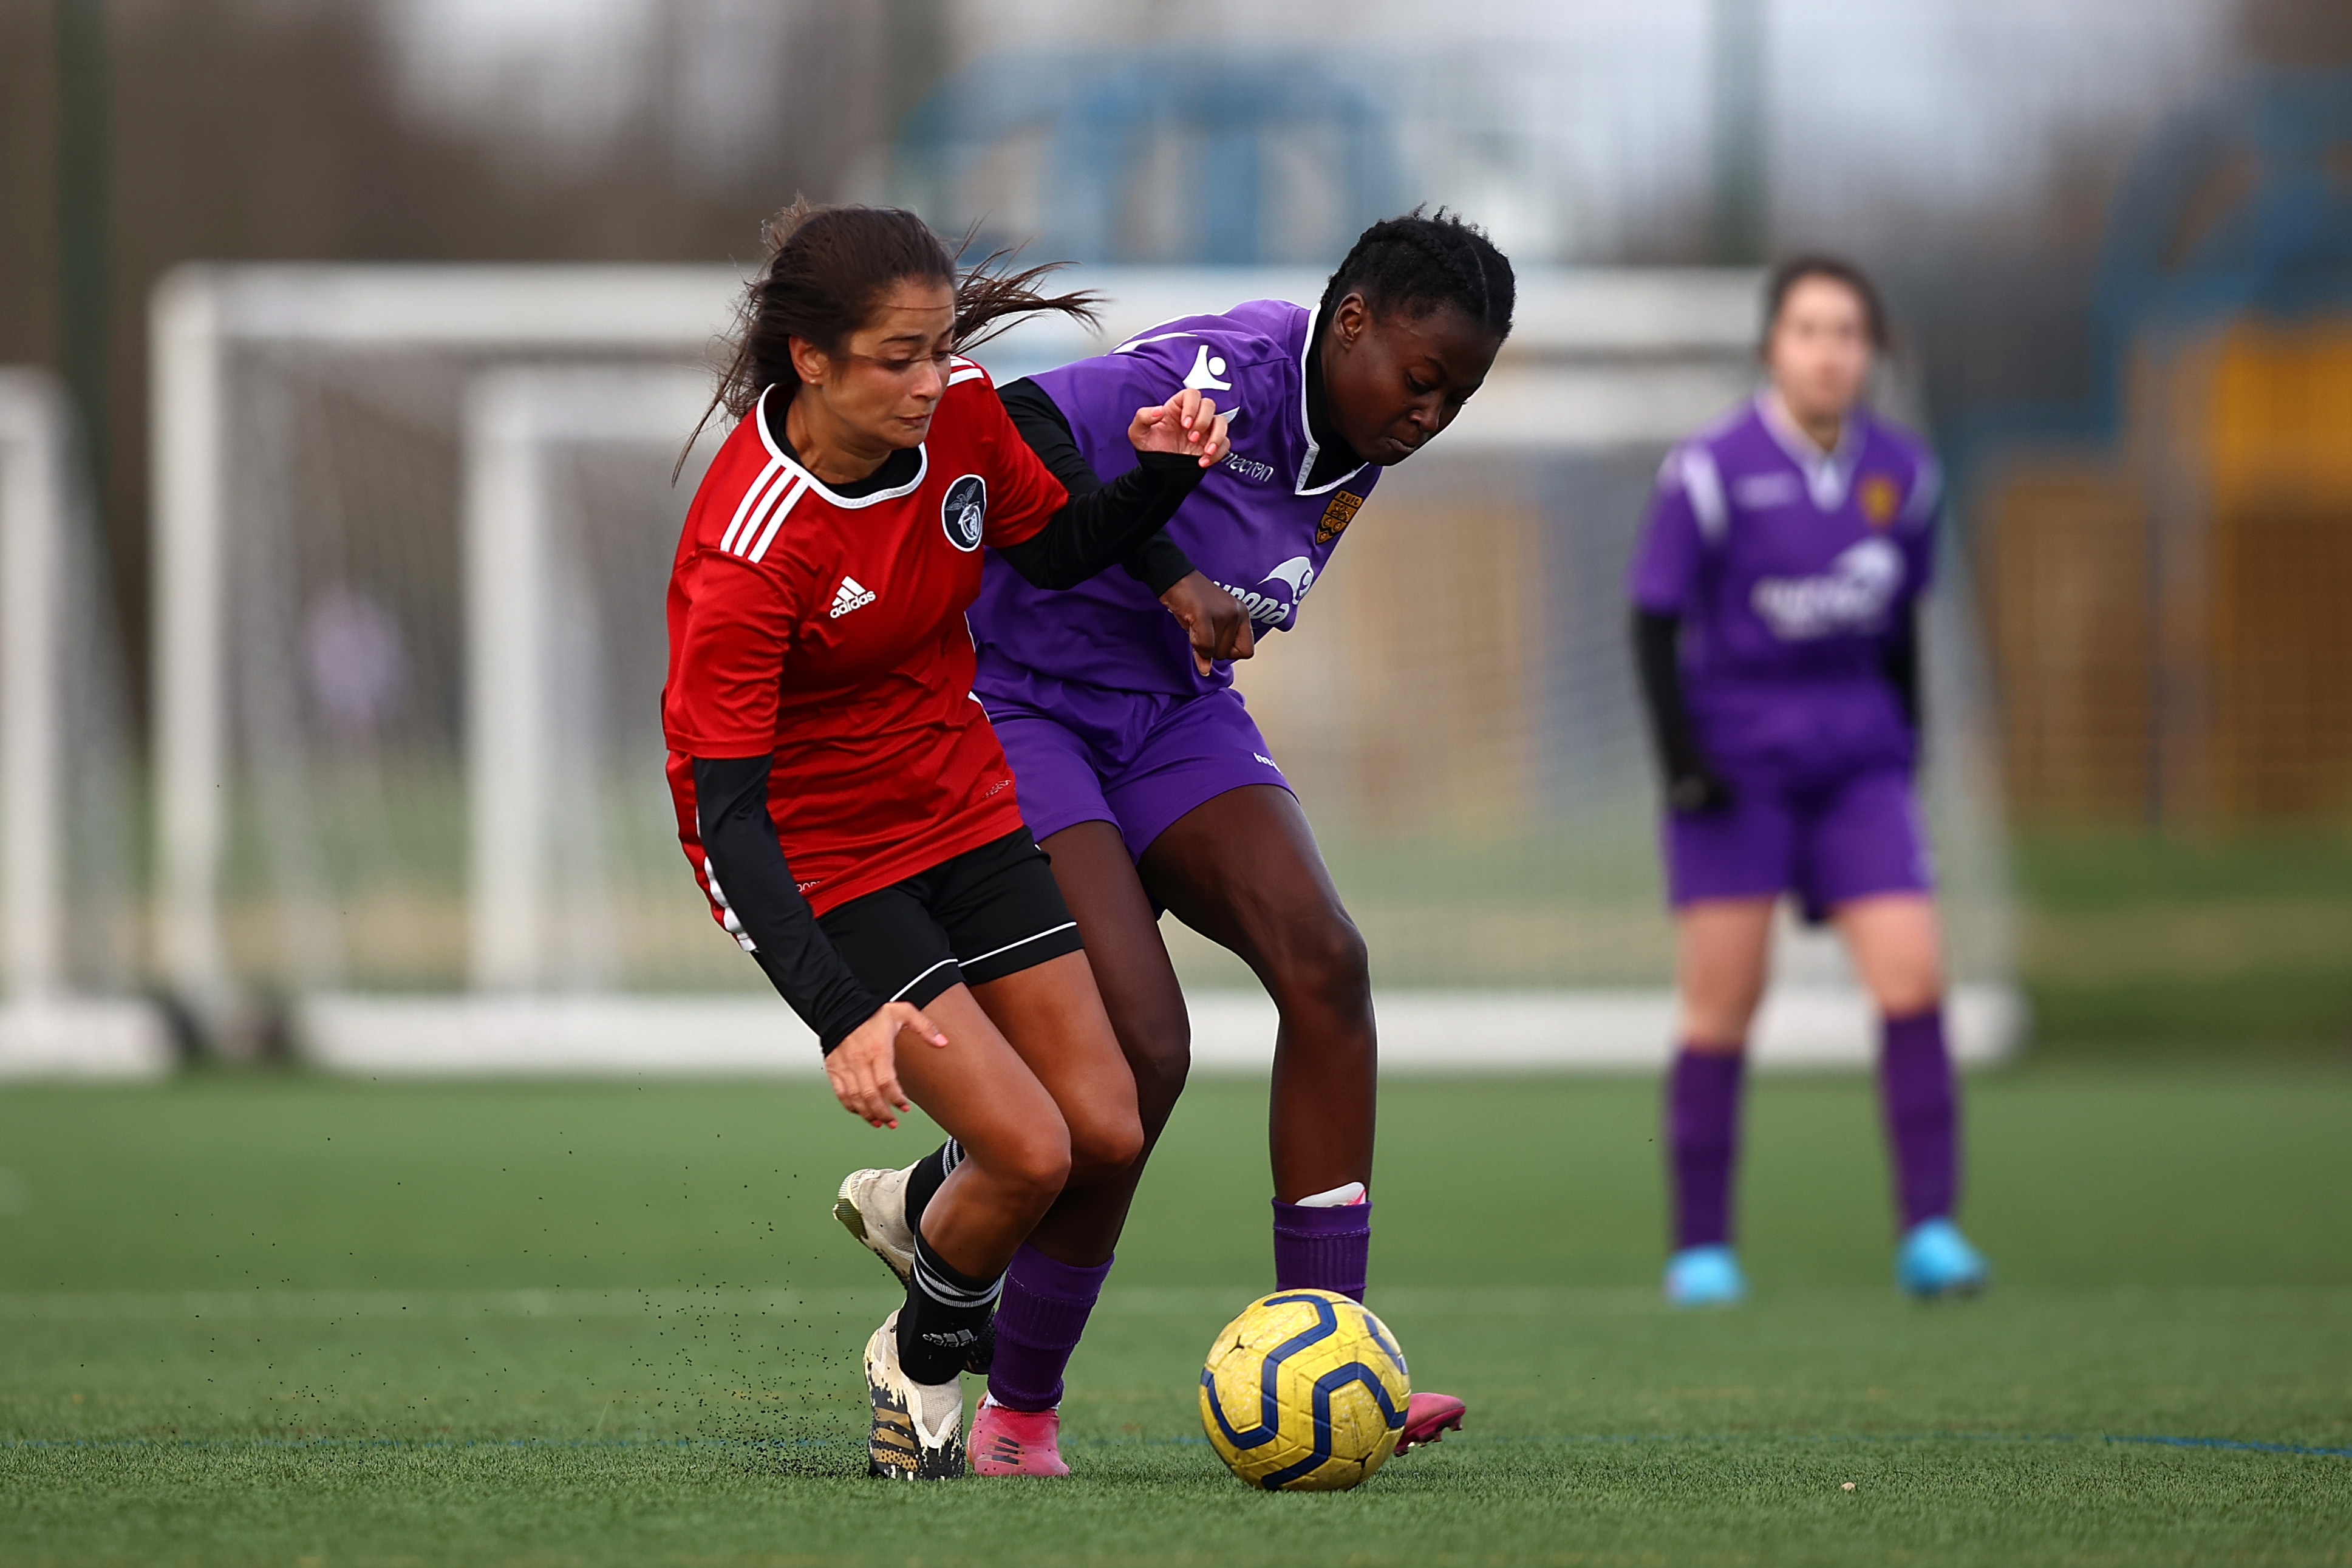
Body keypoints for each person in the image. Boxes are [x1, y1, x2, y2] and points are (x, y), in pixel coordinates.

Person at [830, 210, 1514, 1476]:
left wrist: (1202, 618)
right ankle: (1018, 1412)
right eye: (1420, 379)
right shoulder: (1230, 371)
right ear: (1350, 323)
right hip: (1019, 701)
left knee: (1327, 963)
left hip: (1170, 716)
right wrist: (1165, 572)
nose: (1429, 414)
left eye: (1456, 397)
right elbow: (1017, 427)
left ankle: (1333, 1350)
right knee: (1143, 1047)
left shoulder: (1357, 442)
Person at [661, 201, 1230, 1479]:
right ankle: (916, 1364)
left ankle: (920, 1201)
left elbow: (1058, 546)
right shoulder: (750, 548)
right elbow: (727, 816)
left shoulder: (963, 413)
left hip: (960, 803)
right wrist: (839, 1015)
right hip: (820, 858)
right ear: (811, 360)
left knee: (1105, 1127)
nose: (933, 380)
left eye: (940, 347)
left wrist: (1159, 477)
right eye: (898, 357)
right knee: (1028, 1150)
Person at [1626, 254, 1992, 1308]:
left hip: (1859, 767)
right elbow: (1653, 621)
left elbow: (1901, 630)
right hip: (1735, 771)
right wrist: (1682, 765)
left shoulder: (1905, 474)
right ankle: (1702, 1249)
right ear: (1770, 348)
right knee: (1723, 1003)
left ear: (1870, 353)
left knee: (1913, 977)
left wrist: (1909, 749)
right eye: (1808, 331)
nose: (1829, 352)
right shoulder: (1708, 470)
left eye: (1847, 333)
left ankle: (1930, 1230)